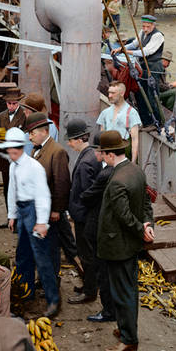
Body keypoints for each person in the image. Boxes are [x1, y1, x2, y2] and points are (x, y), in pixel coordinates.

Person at [95, 130, 155, 351]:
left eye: (102, 154)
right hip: (128, 244)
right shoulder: (135, 171)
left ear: (111, 155)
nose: (101, 158)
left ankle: (129, 338)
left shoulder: (117, 181)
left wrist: (141, 230)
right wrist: (148, 225)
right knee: (126, 288)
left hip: (118, 246)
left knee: (123, 292)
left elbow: (125, 215)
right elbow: (146, 203)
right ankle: (125, 329)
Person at [0, 127, 61, 318]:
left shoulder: (34, 167)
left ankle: (53, 300)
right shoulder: (12, 166)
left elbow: (43, 195)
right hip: (22, 211)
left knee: (41, 257)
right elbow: (12, 190)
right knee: (22, 255)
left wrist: (42, 222)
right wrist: (12, 215)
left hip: (35, 210)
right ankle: (27, 292)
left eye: (15, 150)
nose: (12, 153)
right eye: (9, 150)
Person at [25, 110, 77, 284]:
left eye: (32, 133)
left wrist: (57, 209)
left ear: (44, 131)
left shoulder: (57, 152)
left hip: (51, 212)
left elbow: (62, 184)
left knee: (51, 248)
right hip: (39, 210)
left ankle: (52, 280)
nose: (30, 138)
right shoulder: (36, 149)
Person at [81, 133, 119, 324]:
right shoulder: (114, 170)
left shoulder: (105, 174)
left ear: (104, 153)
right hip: (106, 228)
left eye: (97, 150)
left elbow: (87, 196)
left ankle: (108, 312)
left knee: (102, 272)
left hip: (97, 227)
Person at [66, 119, 102, 305]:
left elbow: (88, 194)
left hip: (85, 217)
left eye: (71, 140)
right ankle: (90, 284)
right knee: (88, 253)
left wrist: (76, 209)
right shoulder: (89, 155)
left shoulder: (86, 162)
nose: (69, 143)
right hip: (86, 215)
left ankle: (89, 291)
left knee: (86, 255)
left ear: (80, 139)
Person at [123, 14, 166, 127]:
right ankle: (146, 121)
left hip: (153, 68)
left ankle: (158, 121)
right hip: (143, 68)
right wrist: (122, 48)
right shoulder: (142, 33)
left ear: (153, 25)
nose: (145, 29)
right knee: (140, 94)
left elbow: (146, 51)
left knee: (152, 95)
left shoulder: (158, 36)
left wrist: (127, 52)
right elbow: (134, 44)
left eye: (148, 27)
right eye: (143, 26)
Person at [96, 80, 141, 161]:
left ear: (122, 93)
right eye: (109, 92)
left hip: (123, 154)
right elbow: (101, 137)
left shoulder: (131, 113)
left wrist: (133, 162)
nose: (109, 95)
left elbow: (135, 140)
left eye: (113, 93)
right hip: (108, 154)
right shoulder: (105, 113)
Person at [0, 88, 26, 203]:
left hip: (20, 159)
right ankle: (10, 218)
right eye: (9, 103)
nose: (11, 106)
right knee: (7, 188)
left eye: (14, 103)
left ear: (19, 102)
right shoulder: (0, 116)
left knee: (20, 189)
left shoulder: (24, 115)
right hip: (5, 159)